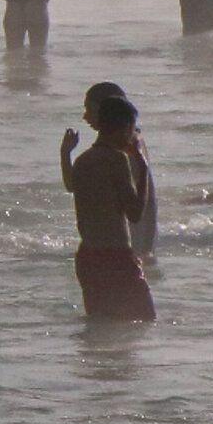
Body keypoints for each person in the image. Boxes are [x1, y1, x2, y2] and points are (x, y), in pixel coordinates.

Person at [62, 85, 157, 322]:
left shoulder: (84, 160)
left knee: (102, 324)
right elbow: (135, 213)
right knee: (144, 322)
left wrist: (65, 155)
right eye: (129, 129)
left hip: (87, 258)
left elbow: (70, 185)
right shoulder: (117, 160)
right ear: (123, 128)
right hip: (116, 258)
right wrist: (143, 170)